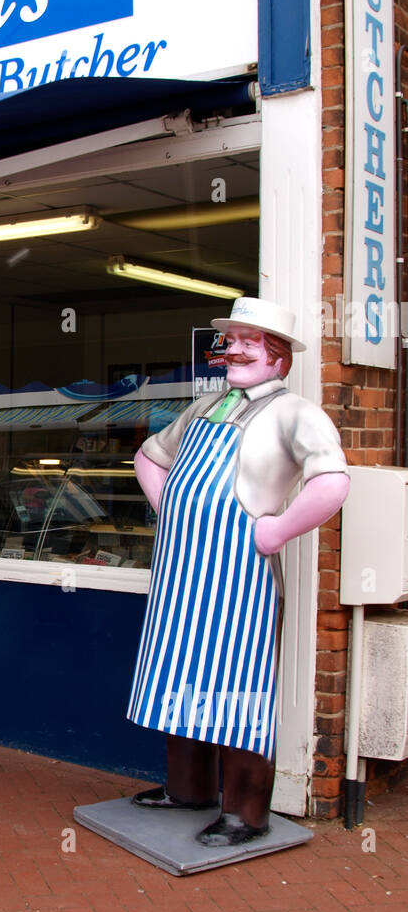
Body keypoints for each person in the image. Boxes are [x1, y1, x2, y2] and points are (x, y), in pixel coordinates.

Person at [127, 297, 349, 846]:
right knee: (178, 676)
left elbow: (332, 482)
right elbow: (149, 457)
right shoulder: (204, 406)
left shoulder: (295, 413)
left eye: (255, 340)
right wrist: (169, 507)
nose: (239, 348)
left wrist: (274, 531)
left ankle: (246, 813)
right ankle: (188, 789)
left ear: (279, 358)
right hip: (180, 571)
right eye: (234, 339)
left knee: (237, 689)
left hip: (240, 578)